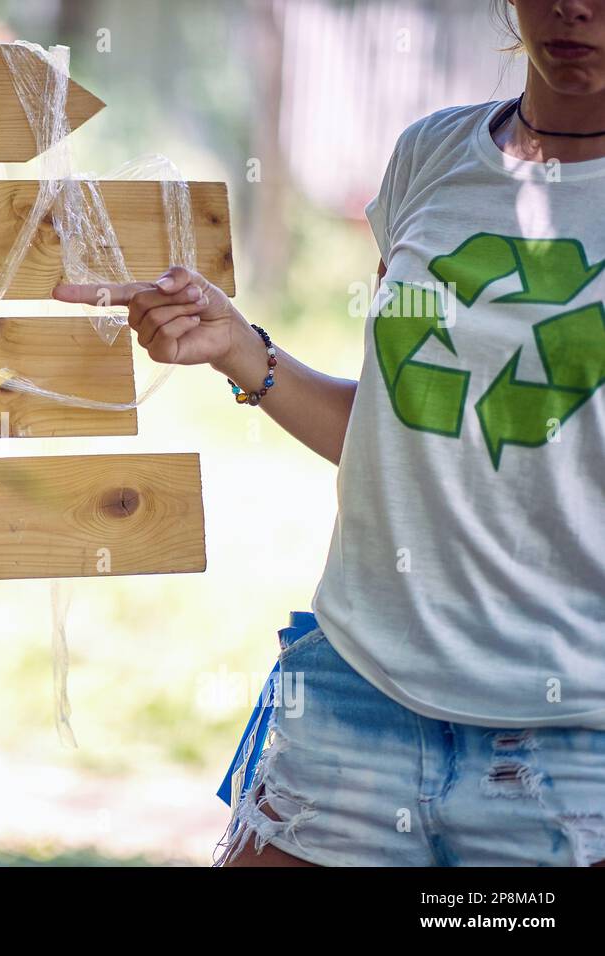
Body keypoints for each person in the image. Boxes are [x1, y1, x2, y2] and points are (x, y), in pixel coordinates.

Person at [54, 0, 605, 866]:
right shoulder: (434, 155)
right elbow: (403, 432)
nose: (575, 7)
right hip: (361, 691)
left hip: (575, 738)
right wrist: (239, 348)